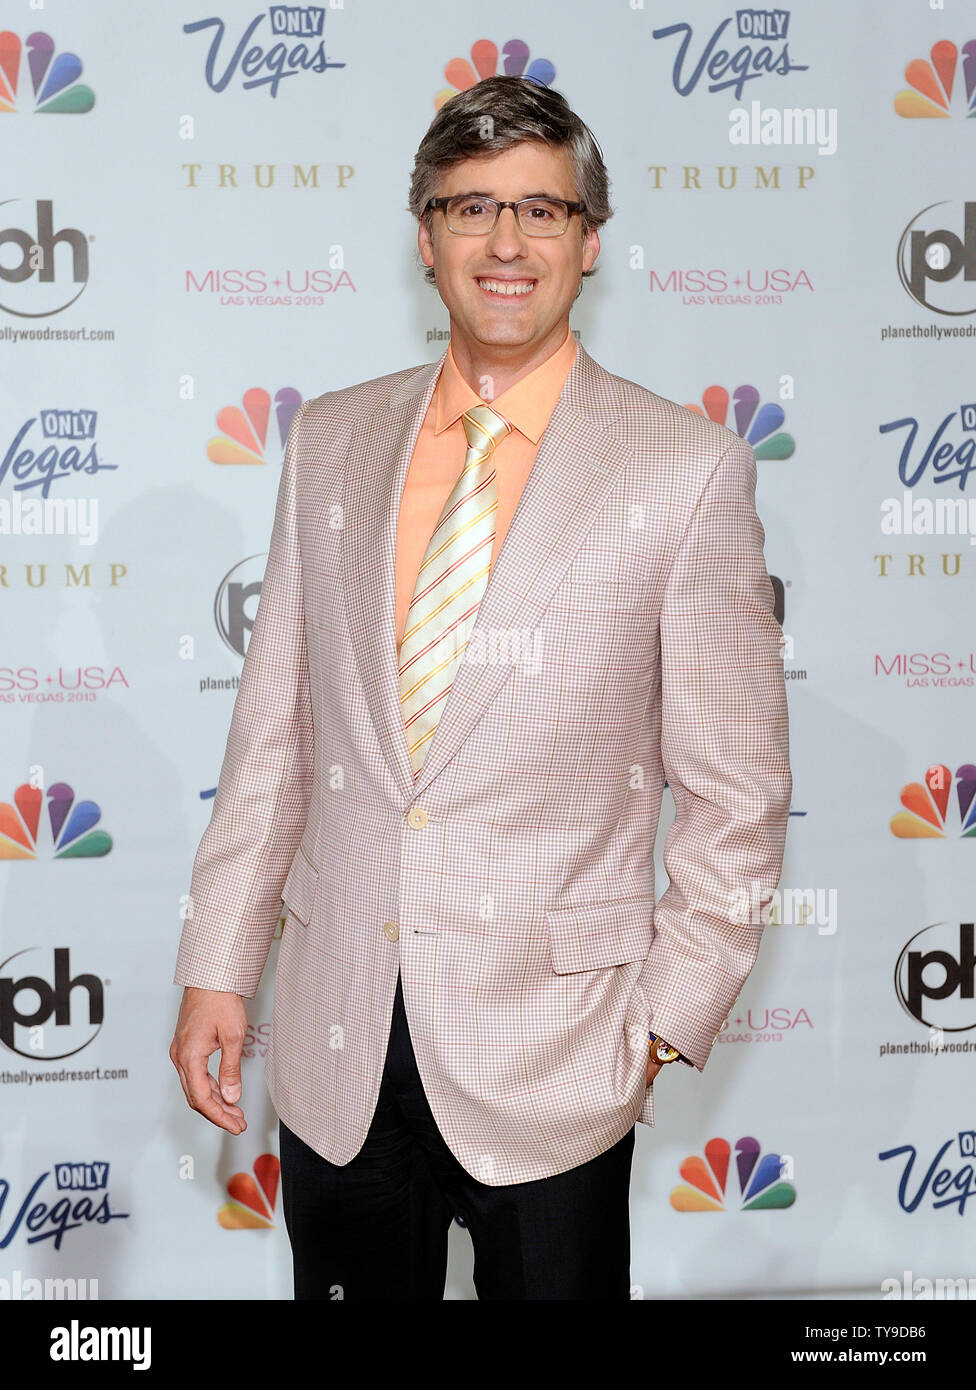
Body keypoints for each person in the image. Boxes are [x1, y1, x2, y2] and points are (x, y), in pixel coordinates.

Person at [170, 75, 792, 1301]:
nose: (506, 244)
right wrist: (217, 963)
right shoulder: (333, 443)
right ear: (425, 236)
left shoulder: (686, 469)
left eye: (541, 211)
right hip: (340, 1042)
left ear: (589, 240)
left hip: (558, 1059)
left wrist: (662, 1021)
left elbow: (739, 789)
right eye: (470, 208)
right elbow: (276, 740)